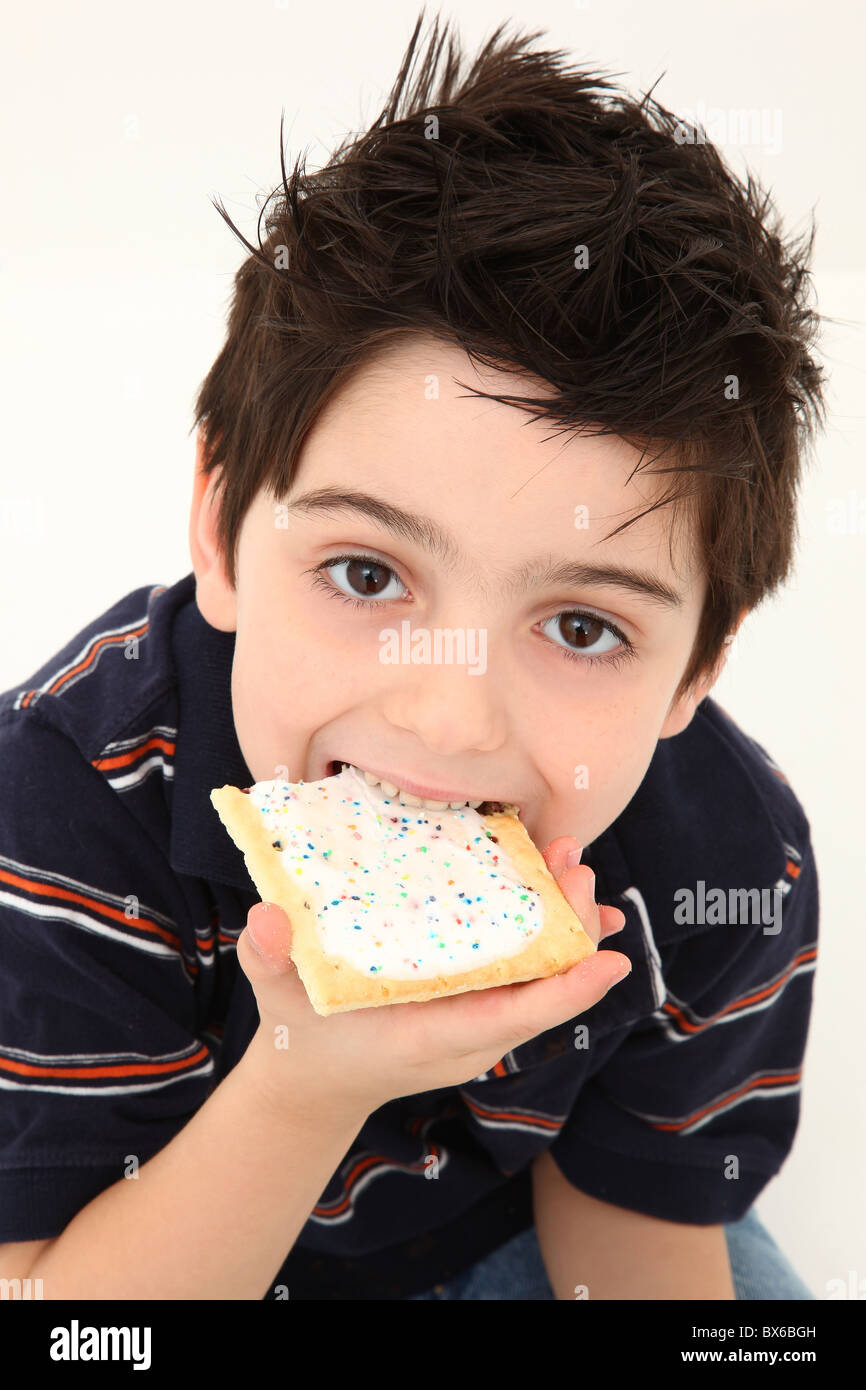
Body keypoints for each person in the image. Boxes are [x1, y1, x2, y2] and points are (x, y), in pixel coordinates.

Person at [0, 11, 824, 1299]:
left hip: (505, 1239)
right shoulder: (65, 804)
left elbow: (629, 1235)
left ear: (697, 669)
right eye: (367, 573)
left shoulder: (727, 855)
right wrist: (300, 1084)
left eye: (583, 627)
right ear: (221, 530)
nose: (447, 717)